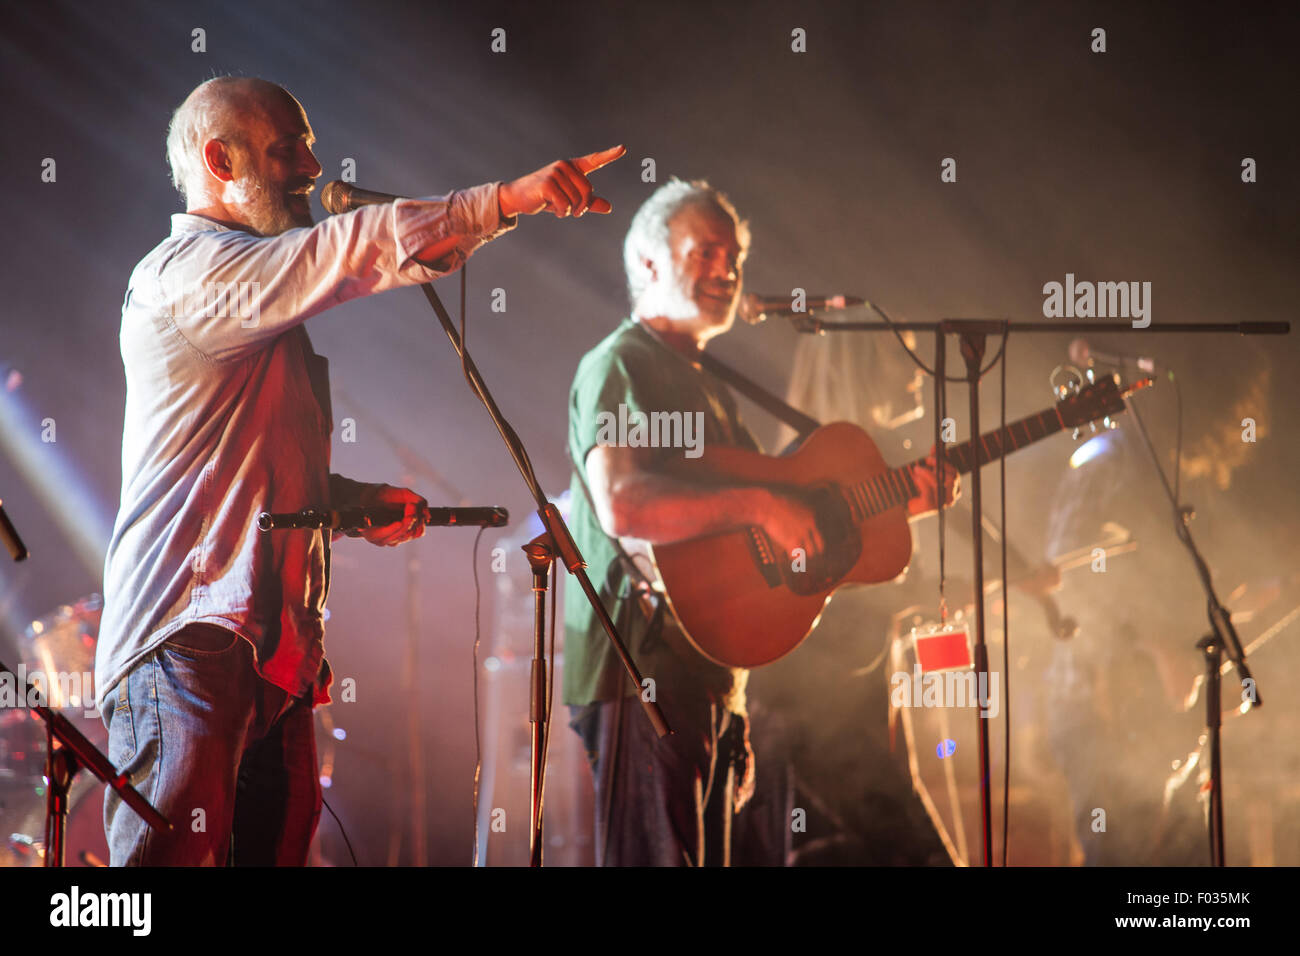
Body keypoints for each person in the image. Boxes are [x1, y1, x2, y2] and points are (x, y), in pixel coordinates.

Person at [95, 75, 623, 866]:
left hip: (266, 651)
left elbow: (239, 469)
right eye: (286, 150)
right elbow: (354, 248)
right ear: (220, 159)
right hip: (188, 642)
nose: (313, 166)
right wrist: (510, 198)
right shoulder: (192, 275)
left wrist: (345, 504)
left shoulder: (250, 292)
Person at [564, 178, 956, 866]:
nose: (729, 269)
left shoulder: (709, 383)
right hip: (642, 671)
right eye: (706, 251)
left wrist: (899, 504)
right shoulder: (623, 363)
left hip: (711, 676)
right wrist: (761, 504)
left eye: (736, 255)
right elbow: (623, 505)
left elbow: (758, 544)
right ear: (649, 264)